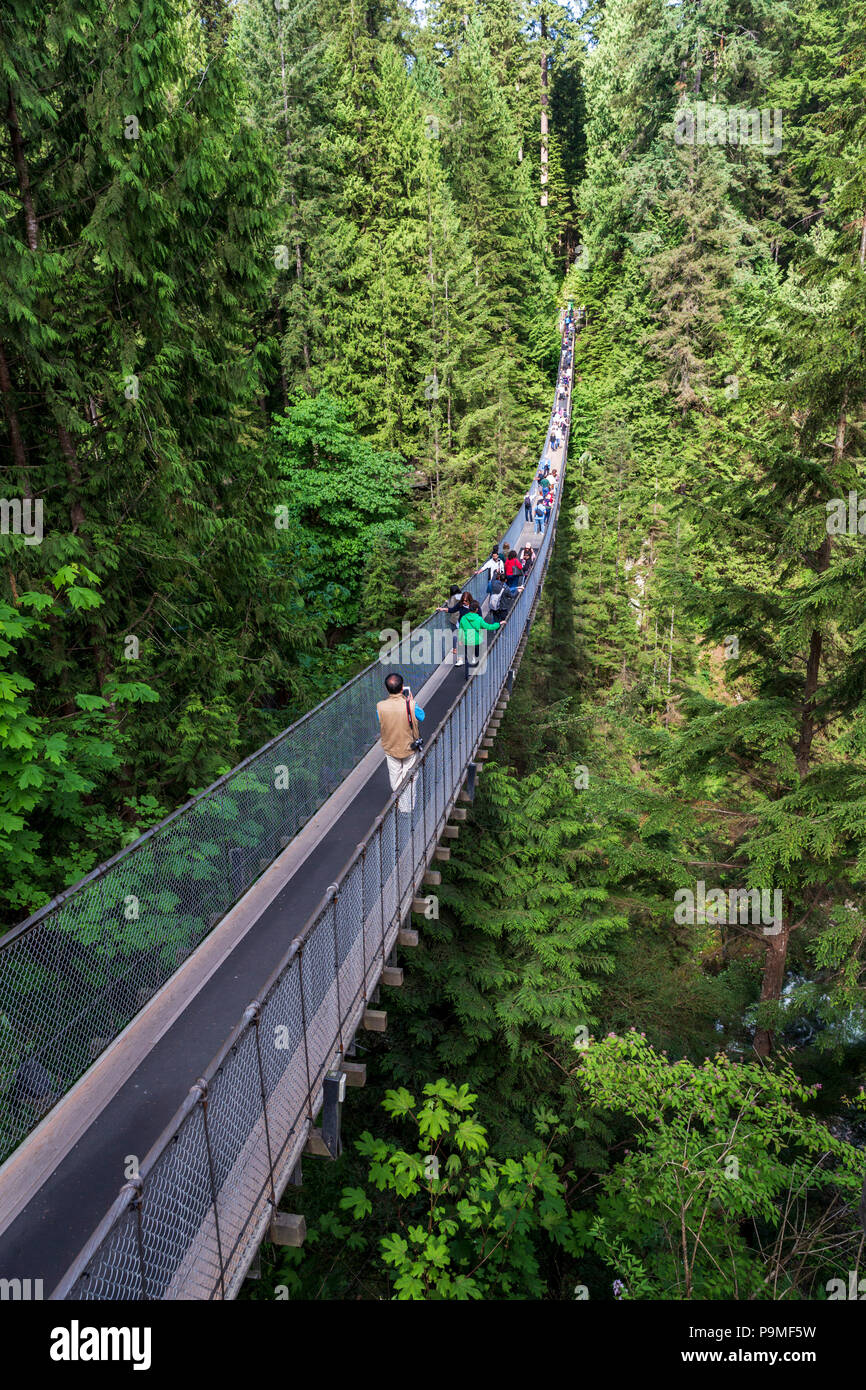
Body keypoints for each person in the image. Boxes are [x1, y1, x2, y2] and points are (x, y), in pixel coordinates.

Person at [376, 672, 426, 813]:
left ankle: (399, 802)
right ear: (402, 687)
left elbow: (380, 718)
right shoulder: (410, 705)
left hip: (390, 748)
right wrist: (411, 701)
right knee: (410, 776)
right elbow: (422, 716)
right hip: (409, 748)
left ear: (387, 689)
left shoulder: (380, 706)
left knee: (395, 777)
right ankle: (407, 808)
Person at [458, 593, 500, 671]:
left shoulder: (463, 618)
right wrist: (498, 624)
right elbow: (488, 627)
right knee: (480, 651)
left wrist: (460, 640)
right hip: (477, 641)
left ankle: (469, 661)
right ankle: (476, 660)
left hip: (466, 640)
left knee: (468, 652)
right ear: (477, 609)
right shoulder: (479, 619)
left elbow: (461, 630)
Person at [440, 585, 465, 664]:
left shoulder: (453, 597)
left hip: (455, 618)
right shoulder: (462, 595)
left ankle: (455, 649)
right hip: (462, 617)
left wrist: (447, 602)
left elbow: (451, 607)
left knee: (454, 634)